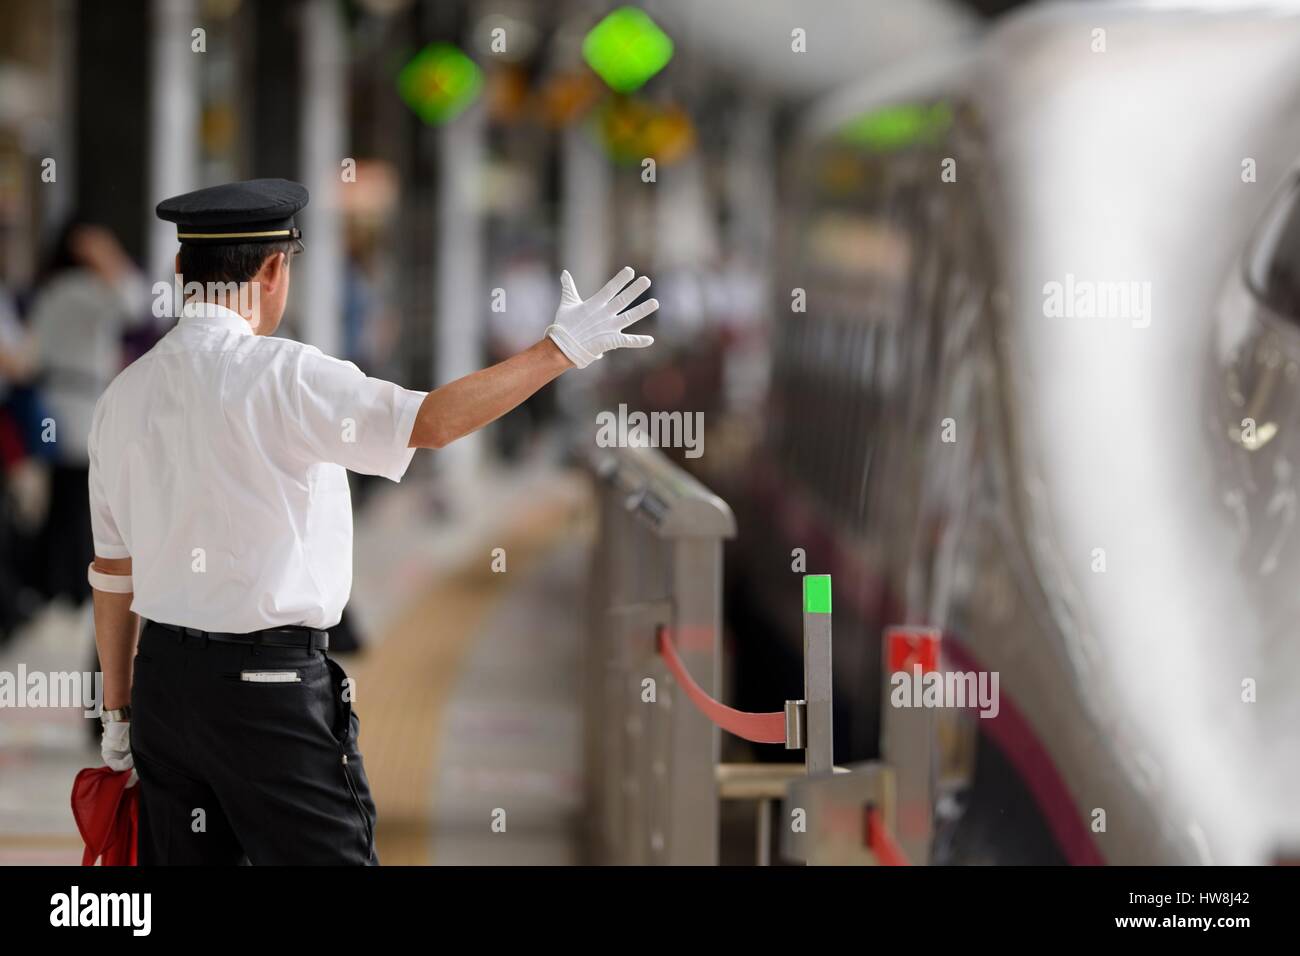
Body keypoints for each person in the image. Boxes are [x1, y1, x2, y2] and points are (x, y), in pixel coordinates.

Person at [87, 178, 657, 864]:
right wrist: (558, 351)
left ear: (181, 271)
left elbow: (114, 575)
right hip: (268, 698)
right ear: (274, 270)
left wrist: (117, 716)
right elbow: (432, 423)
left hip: (164, 693)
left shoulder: (123, 396)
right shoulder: (287, 375)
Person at [29, 220, 148, 605]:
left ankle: (52, 581)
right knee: (84, 502)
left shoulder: (48, 288)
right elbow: (137, 303)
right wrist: (109, 258)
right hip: (82, 400)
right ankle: (76, 584)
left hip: (54, 397)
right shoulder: (86, 289)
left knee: (63, 499)